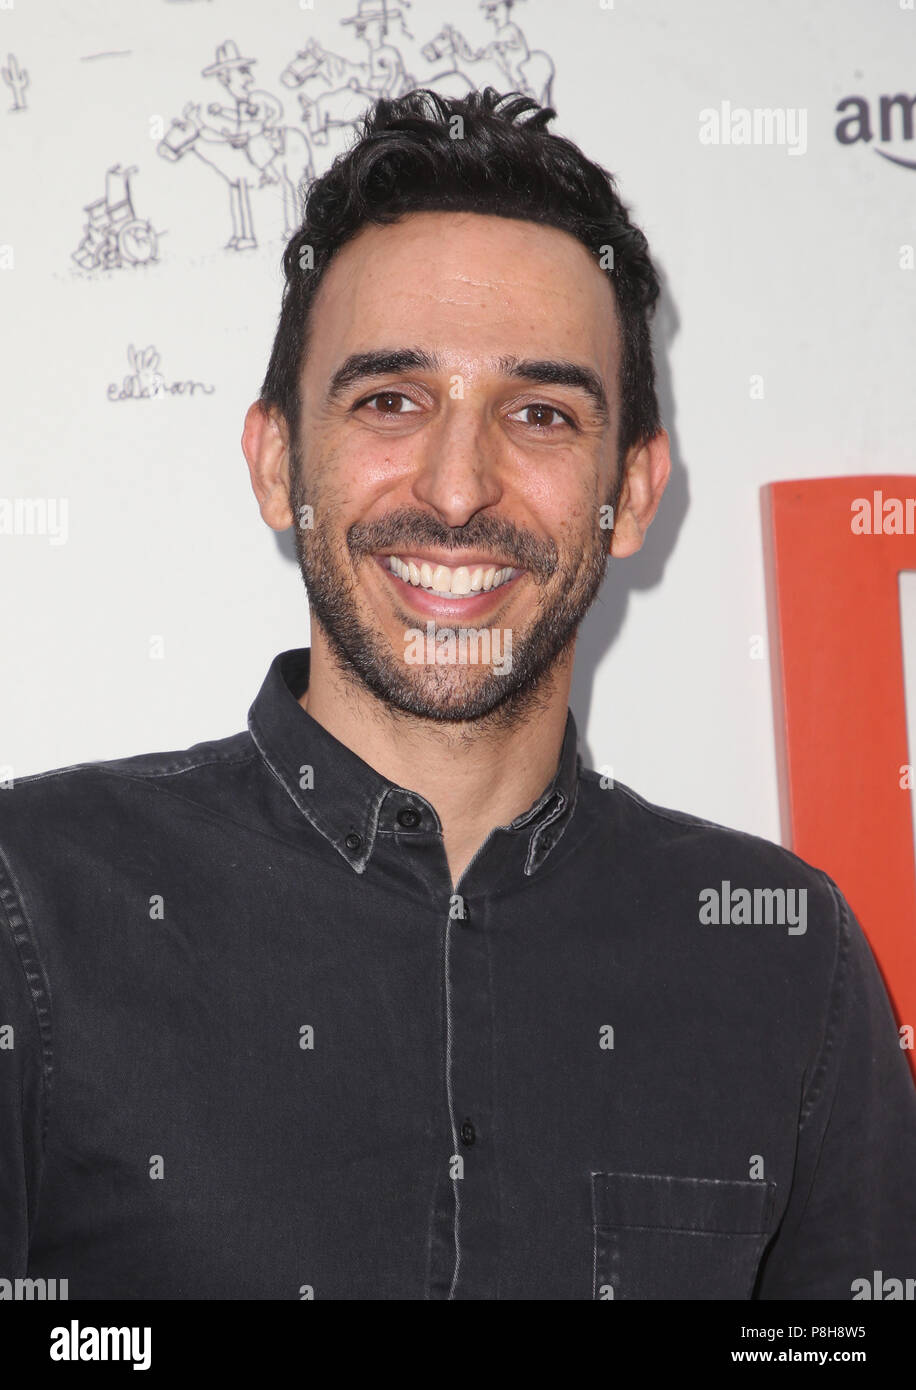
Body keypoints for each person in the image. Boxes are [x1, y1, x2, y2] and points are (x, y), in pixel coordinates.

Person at [2, 88, 914, 1301]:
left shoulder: (784, 959)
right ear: (279, 464)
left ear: (632, 494)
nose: (455, 487)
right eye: (391, 399)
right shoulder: (34, 905)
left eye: (538, 413)